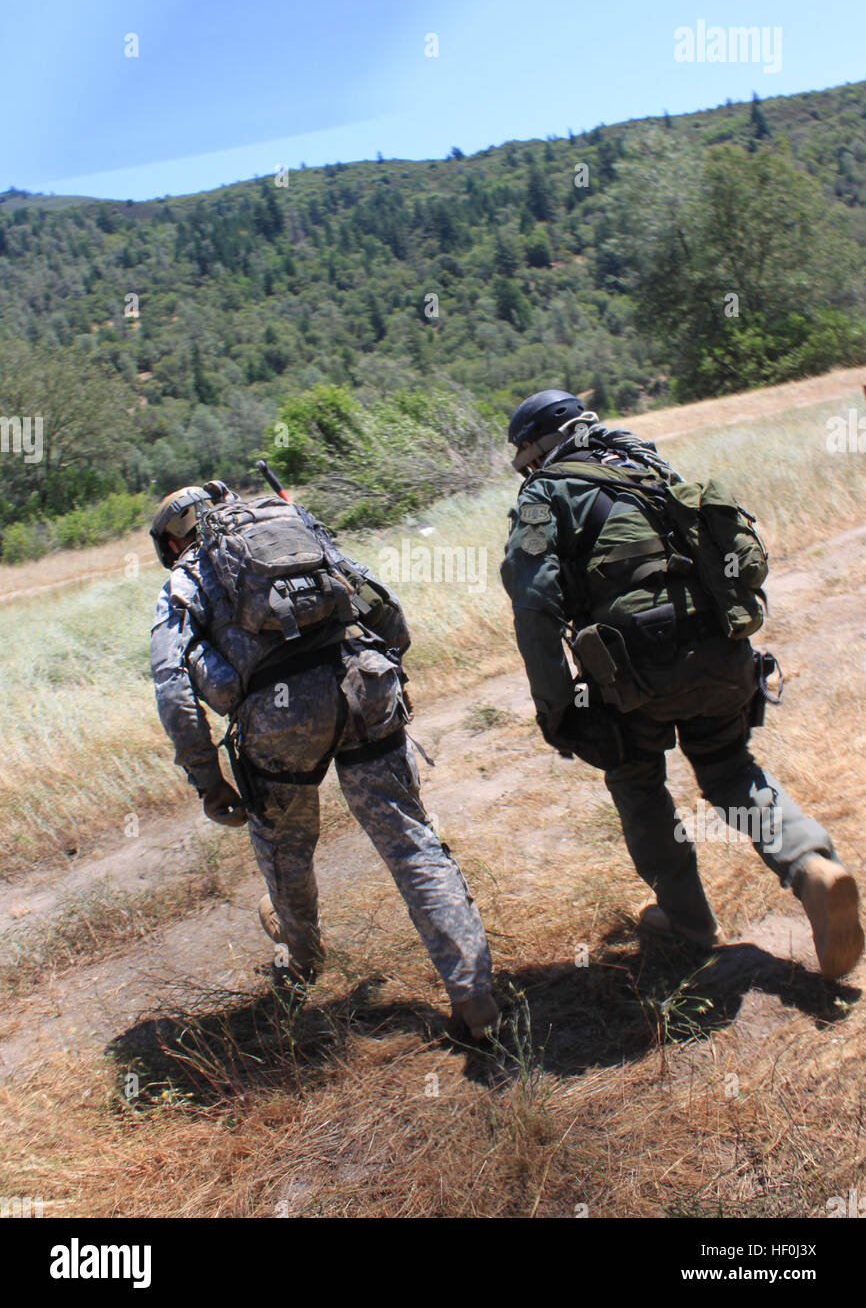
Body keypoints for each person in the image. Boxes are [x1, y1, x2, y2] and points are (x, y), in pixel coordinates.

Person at [500, 389, 864, 981]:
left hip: (632, 674)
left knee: (637, 782)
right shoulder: (651, 466)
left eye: (525, 456)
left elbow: (534, 604)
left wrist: (557, 709)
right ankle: (811, 866)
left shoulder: (545, 494)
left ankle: (689, 920)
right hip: (725, 653)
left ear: (539, 445)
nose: (526, 468)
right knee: (727, 769)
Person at [148, 480, 498, 1036]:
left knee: (285, 849)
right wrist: (396, 674)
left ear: (169, 542)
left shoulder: (185, 578)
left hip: (279, 718)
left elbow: (172, 684)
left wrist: (208, 779)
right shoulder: (296, 534)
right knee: (411, 842)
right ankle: (475, 1000)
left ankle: (304, 961)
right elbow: (383, 605)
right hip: (364, 686)